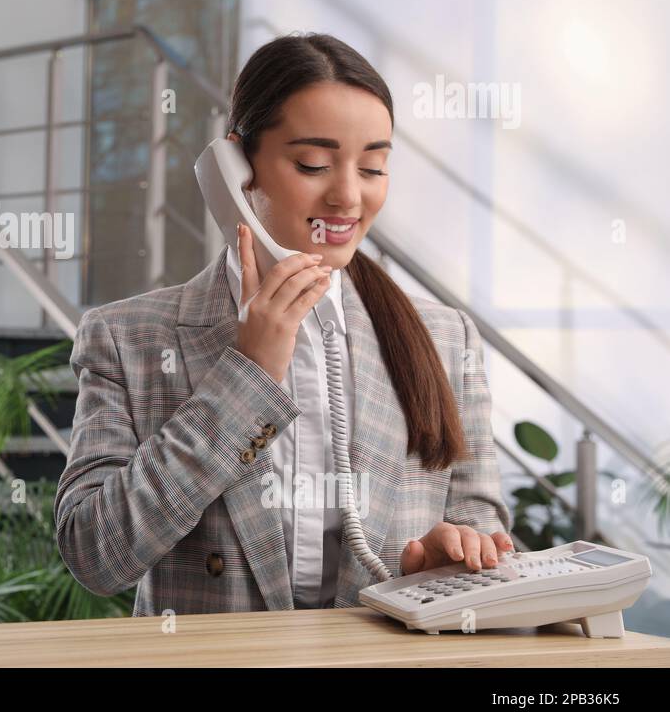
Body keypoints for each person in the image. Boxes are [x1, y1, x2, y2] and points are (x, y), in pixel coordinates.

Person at [55, 33, 514, 614]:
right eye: (313, 164)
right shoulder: (128, 338)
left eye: (373, 167)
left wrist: (455, 553)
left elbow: (480, 520)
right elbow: (95, 554)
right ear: (236, 168)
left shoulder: (446, 339)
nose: (348, 196)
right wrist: (246, 376)